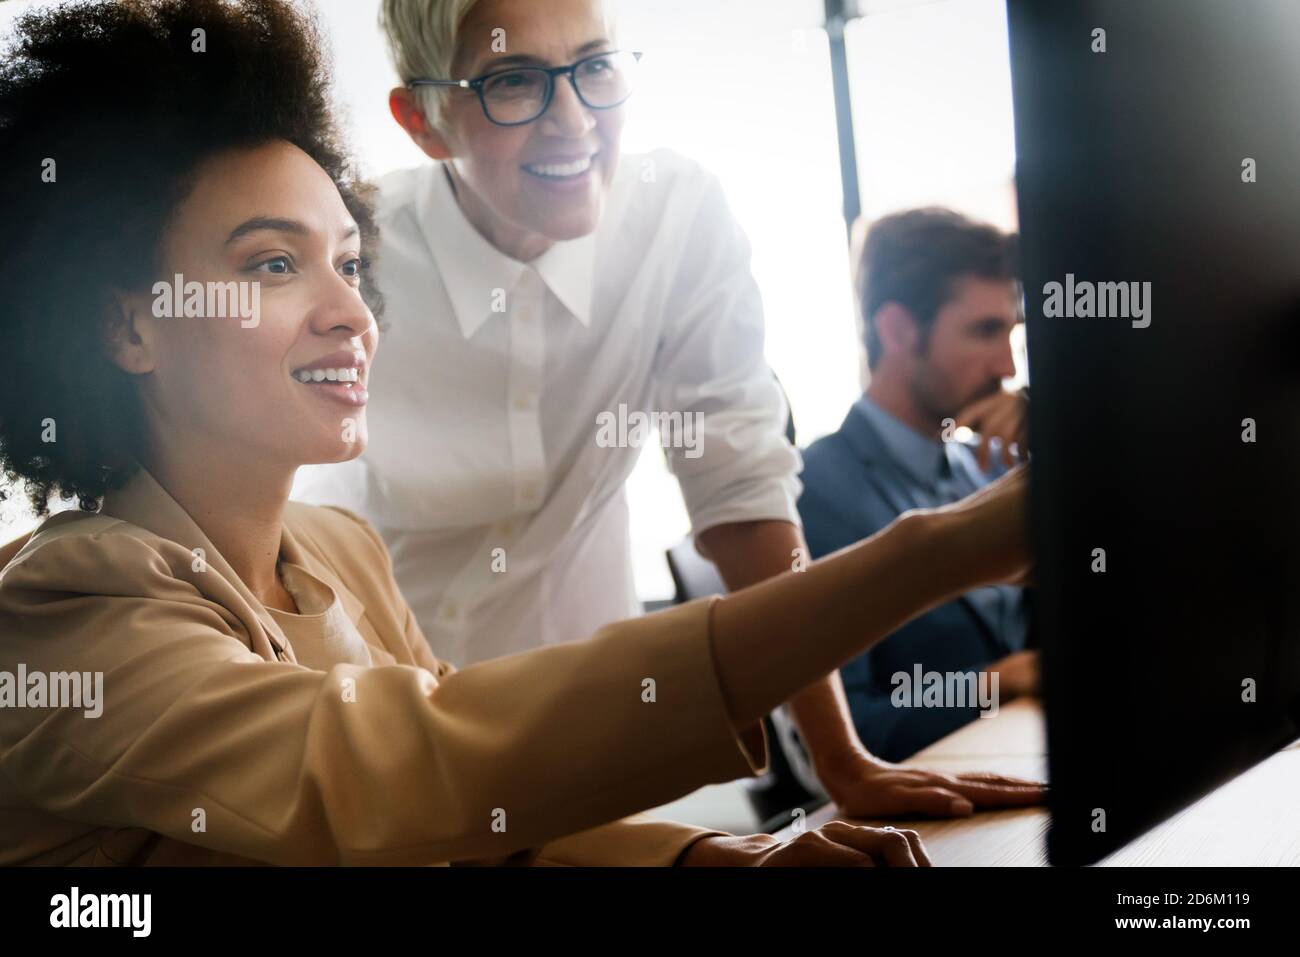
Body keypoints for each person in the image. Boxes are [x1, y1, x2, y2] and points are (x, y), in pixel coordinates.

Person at [0, 0, 1036, 867]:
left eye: (348, 266)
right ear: (130, 323)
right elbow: (410, 771)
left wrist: (713, 860)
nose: (355, 314)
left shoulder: (334, 555)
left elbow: (480, 831)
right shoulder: (66, 612)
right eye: (274, 265)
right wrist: (938, 550)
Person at [291, 0, 1040, 821]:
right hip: (395, 746)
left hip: (592, 742)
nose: (572, 122)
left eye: (594, 67)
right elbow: (307, 541)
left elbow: (741, 494)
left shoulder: (674, 220)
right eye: (513, 80)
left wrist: (841, 759)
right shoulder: (355, 262)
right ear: (422, 121)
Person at [798, 208, 1039, 763]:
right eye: (984, 331)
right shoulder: (818, 490)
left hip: (1020, 762)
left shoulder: (987, 467)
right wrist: (1001, 681)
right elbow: (853, 726)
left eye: (1011, 333)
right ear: (898, 330)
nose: (1007, 364)